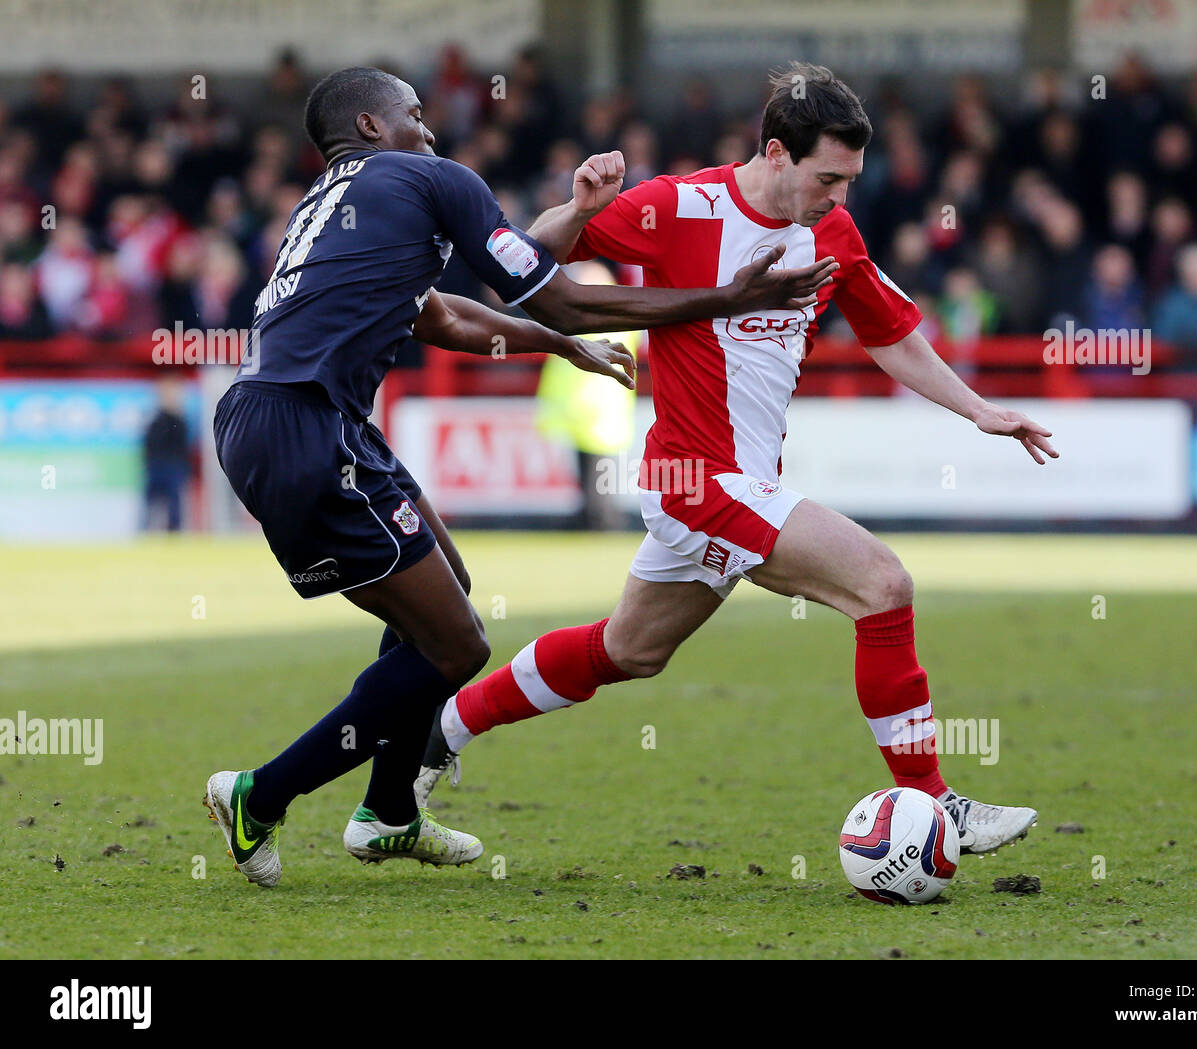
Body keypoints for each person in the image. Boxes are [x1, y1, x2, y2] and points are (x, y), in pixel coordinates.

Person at [204, 67, 832, 887]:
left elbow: (442, 314)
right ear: (368, 122)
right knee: (459, 643)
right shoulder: (433, 179)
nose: (430, 131)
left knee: (446, 590)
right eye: (415, 116)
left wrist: (554, 345)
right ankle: (262, 793)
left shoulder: (327, 208)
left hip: (298, 419)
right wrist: (722, 298)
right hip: (307, 429)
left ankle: (389, 810)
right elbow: (563, 294)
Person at [416, 64, 1058, 856]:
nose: (839, 198)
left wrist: (979, 410)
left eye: (852, 180)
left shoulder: (834, 232)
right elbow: (519, 264)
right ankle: (934, 802)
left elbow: (890, 336)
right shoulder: (678, 205)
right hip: (695, 479)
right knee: (882, 584)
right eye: (828, 177)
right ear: (778, 153)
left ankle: (442, 728)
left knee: (629, 651)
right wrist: (578, 209)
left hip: (744, 482)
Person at [534, 259, 638, 530]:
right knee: (594, 477)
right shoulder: (621, 311)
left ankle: (601, 525)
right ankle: (596, 522)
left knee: (597, 481)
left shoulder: (593, 316)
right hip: (594, 405)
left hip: (593, 404)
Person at [141, 378, 190, 531]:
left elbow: (182, 445)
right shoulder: (155, 418)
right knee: (150, 503)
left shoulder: (179, 420)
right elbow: (149, 443)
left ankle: (173, 533)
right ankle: (146, 531)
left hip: (174, 466)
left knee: (174, 504)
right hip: (156, 465)